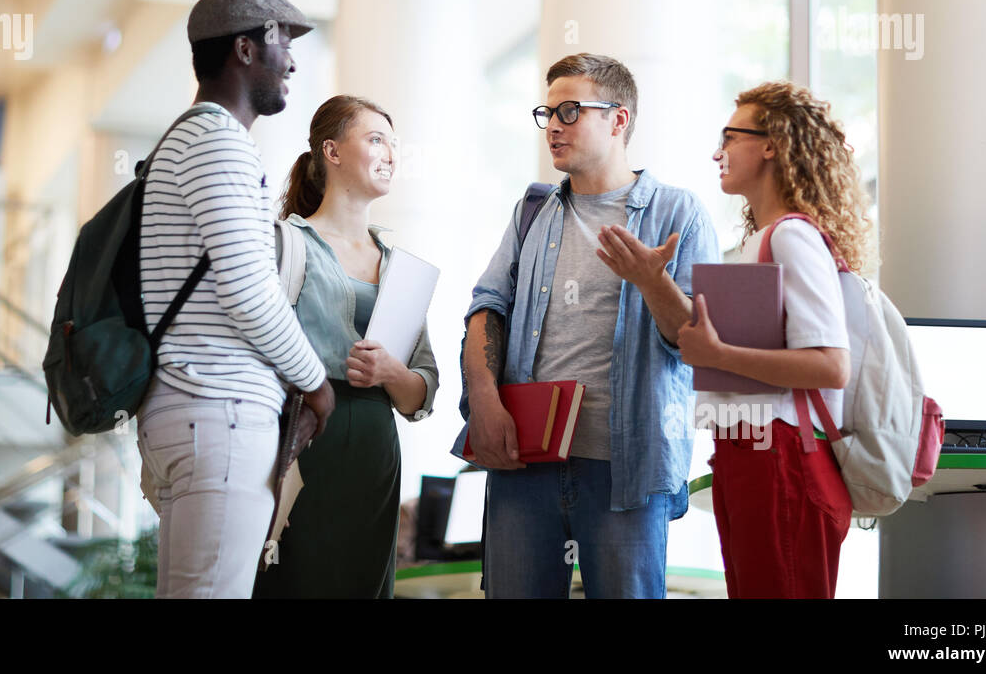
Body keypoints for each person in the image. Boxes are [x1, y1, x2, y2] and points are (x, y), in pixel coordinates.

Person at [453, 53, 720, 598]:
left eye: (570, 111)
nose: (553, 125)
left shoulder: (679, 213)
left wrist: (652, 281)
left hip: (627, 470)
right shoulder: (532, 211)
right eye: (547, 113)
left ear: (619, 119)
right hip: (524, 460)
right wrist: (482, 399)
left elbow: (698, 344)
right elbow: (487, 305)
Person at [135, 0, 336, 599]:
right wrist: (315, 382)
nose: (293, 62)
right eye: (282, 42)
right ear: (245, 50)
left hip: (188, 409)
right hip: (218, 412)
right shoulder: (217, 141)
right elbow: (249, 293)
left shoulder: (184, 142)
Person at [678, 80, 873, 598]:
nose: (717, 152)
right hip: (753, 455)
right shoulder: (761, 241)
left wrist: (717, 354)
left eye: (731, 136)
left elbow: (831, 365)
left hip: (782, 460)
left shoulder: (791, 236)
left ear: (772, 144)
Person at [253, 95, 439, 599]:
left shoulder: (401, 267)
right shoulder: (283, 244)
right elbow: (251, 353)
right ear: (332, 152)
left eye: (394, 144)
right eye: (376, 139)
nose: (391, 154)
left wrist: (390, 373)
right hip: (302, 444)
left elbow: (423, 392)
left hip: (376, 455)